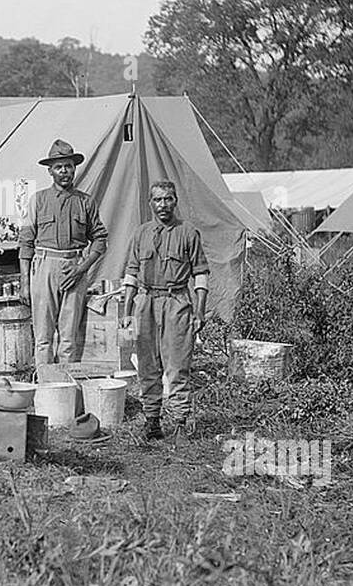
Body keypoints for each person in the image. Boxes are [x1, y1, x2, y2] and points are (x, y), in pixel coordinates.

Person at [119, 179, 210, 441]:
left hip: (177, 302)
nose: (163, 205)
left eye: (168, 199)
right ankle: (152, 421)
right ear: (150, 203)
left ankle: (180, 421)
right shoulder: (141, 233)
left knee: (178, 365)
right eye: (157, 200)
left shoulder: (188, 233)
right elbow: (131, 273)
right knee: (147, 365)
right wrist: (126, 313)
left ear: (175, 201)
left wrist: (200, 311)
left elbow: (201, 274)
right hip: (145, 304)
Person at [18, 139, 108, 364]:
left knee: (68, 338)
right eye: (59, 167)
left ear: (74, 168)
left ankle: (64, 392)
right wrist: (25, 283)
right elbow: (26, 244)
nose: (64, 171)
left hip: (74, 267)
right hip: (45, 266)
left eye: (68, 166)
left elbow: (100, 240)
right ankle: (44, 391)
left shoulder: (85, 202)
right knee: (43, 338)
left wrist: (81, 269)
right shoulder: (37, 200)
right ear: (50, 171)